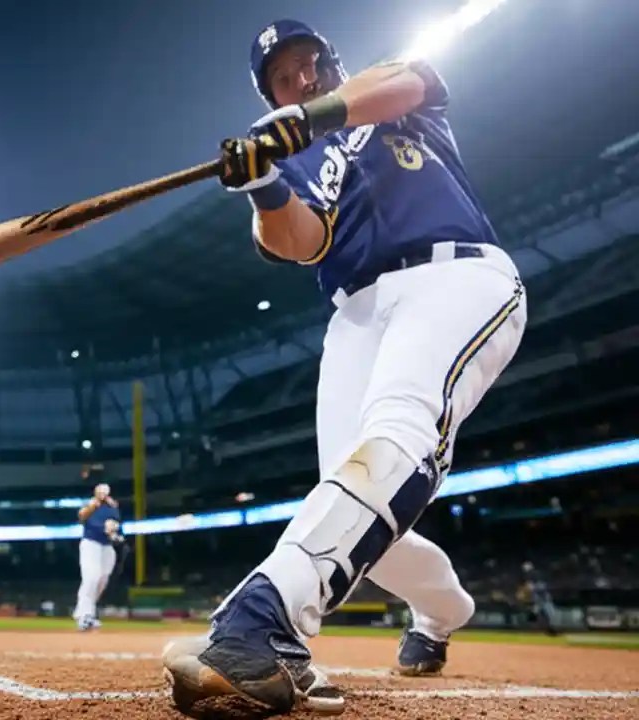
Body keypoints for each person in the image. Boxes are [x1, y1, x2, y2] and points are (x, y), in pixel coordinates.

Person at [162, 19, 527, 717]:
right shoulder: (296, 156)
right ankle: (444, 611)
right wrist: (263, 180)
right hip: (355, 312)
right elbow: (298, 241)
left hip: (453, 276)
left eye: (308, 63)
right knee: (358, 516)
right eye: (282, 78)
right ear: (268, 93)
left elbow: (408, 81)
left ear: (331, 62)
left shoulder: (382, 90)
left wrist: (305, 118)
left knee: (398, 430)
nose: (300, 78)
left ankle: (263, 622)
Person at [73, 483, 123, 630]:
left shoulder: (112, 506)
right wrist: (92, 506)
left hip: (106, 546)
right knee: (91, 578)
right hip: (91, 544)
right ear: (95, 492)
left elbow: (116, 523)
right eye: (100, 491)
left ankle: (89, 613)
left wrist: (113, 531)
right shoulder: (90, 504)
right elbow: (81, 517)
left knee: (102, 579)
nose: (102, 494)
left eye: (105, 491)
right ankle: (83, 616)